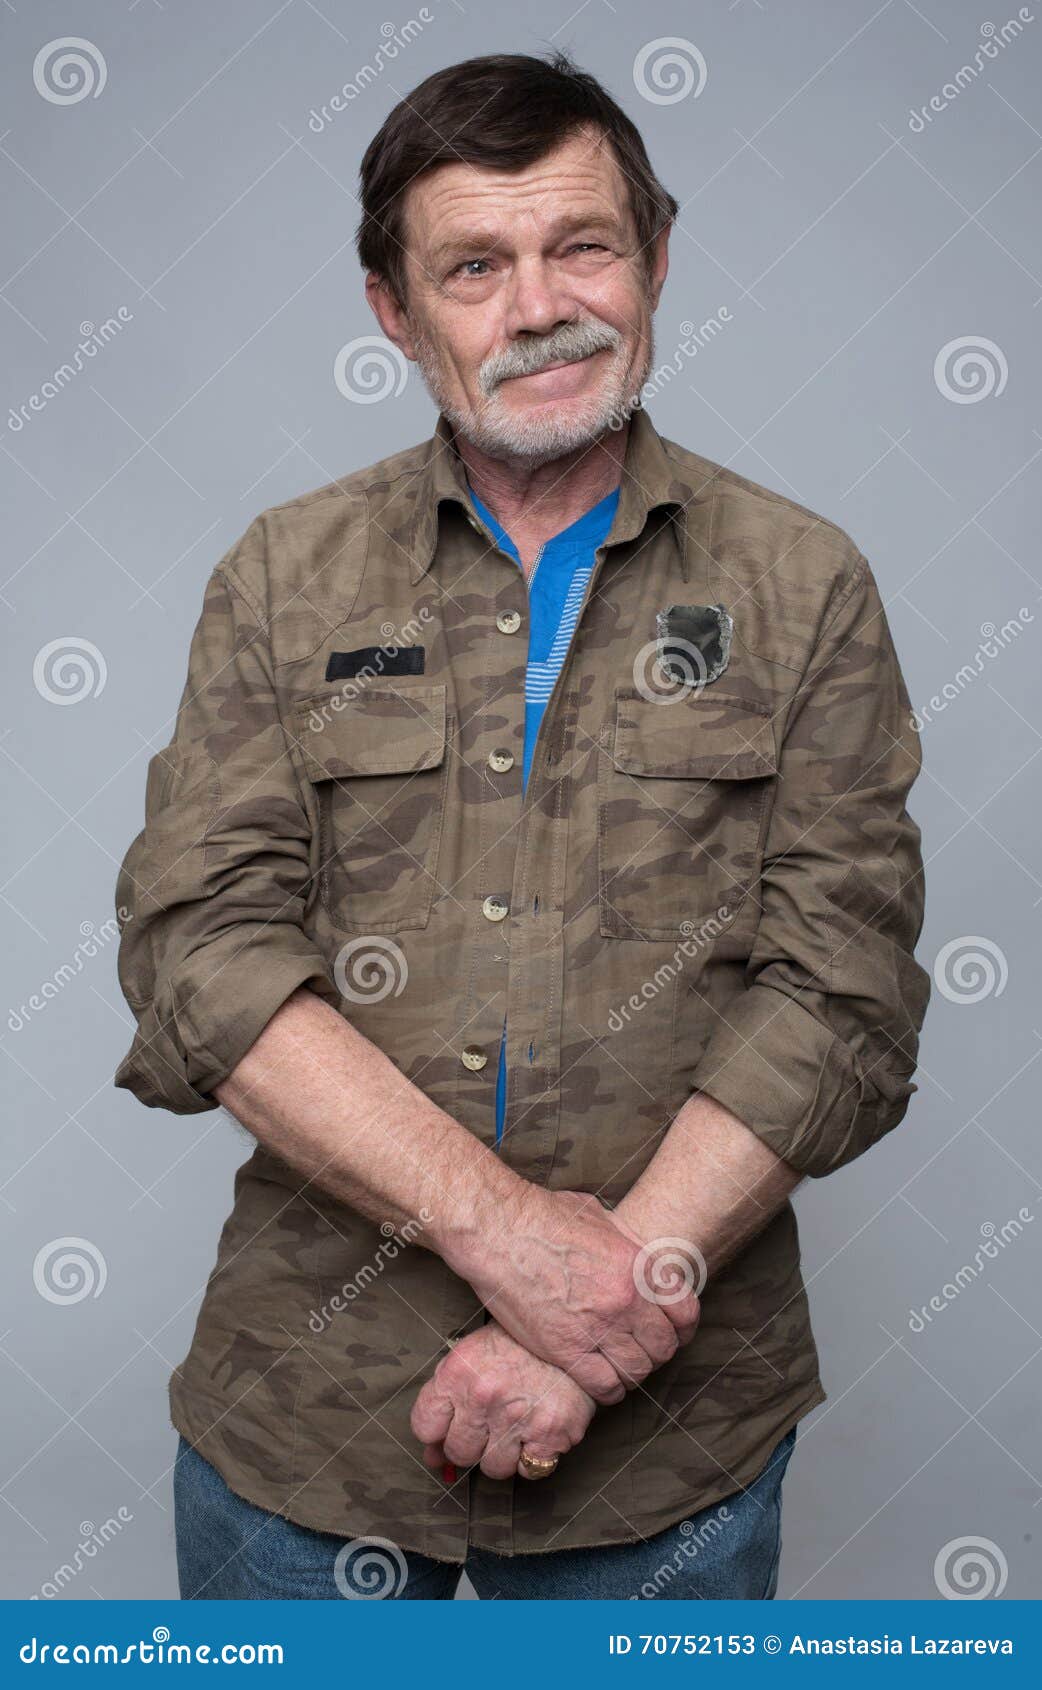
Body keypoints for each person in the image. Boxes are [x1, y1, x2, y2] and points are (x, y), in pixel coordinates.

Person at [114, 52, 930, 1601]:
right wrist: (512, 1240)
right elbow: (202, 955)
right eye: (474, 267)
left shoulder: (802, 582)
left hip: (672, 1439)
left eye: (582, 246)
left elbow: (843, 988)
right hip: (308, 1419)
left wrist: (590, 1322)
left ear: (656, 259)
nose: (540, 306)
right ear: (393, 311)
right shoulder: (284, 576)